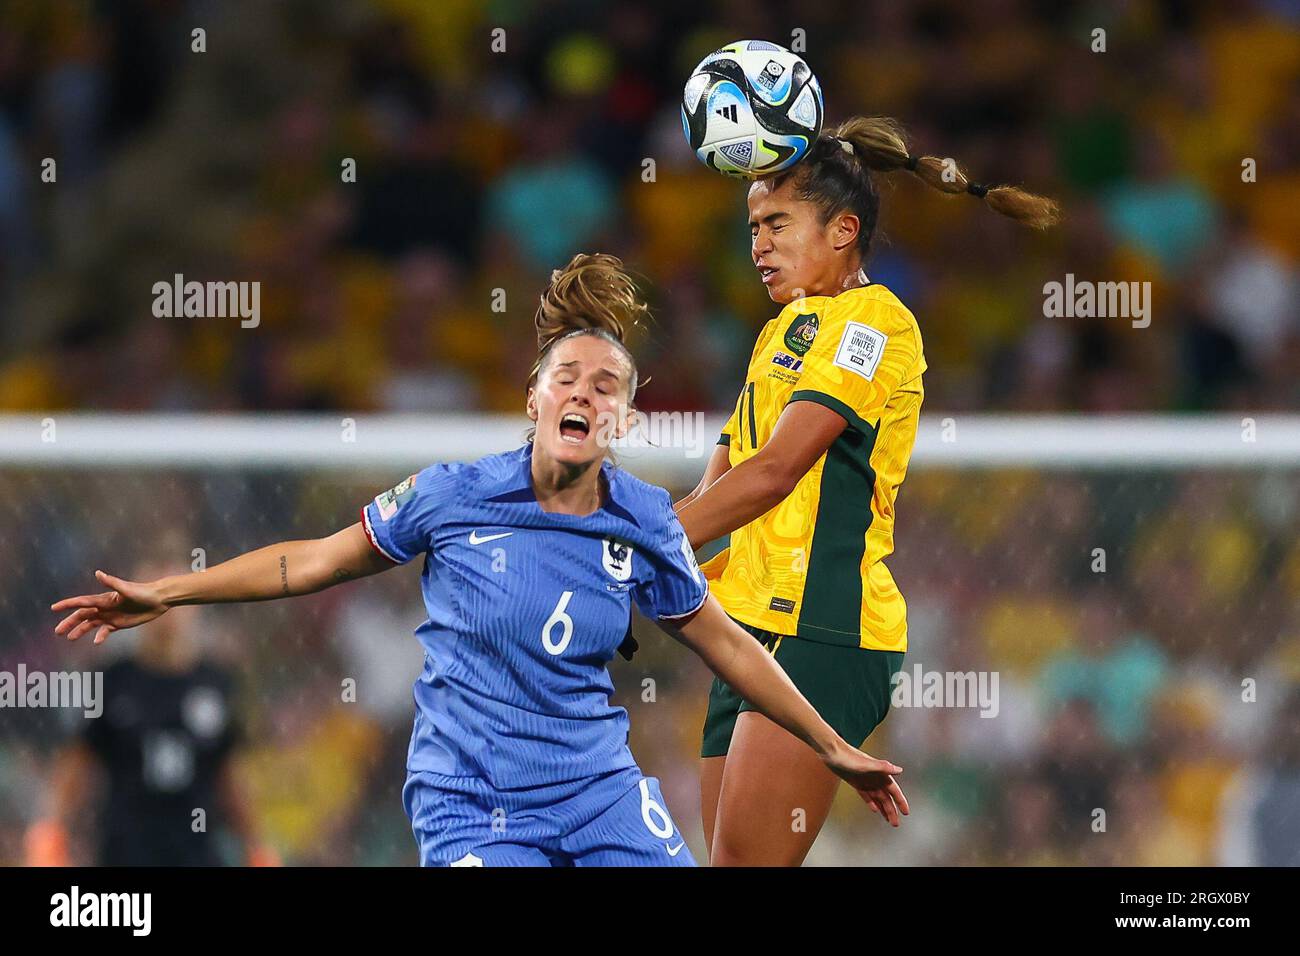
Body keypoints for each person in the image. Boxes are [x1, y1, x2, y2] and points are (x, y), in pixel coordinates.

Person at [52, 253, 908, 867]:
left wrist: (830, 745)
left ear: (625, 422)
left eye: (607, 385)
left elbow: (727, 647)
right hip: (472, 800)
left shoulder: (646, 521)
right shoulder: (452, 496)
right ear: (532, 398)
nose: (583, 391)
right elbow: (309, 562)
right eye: (566, 376)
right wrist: (168, 593)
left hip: (598, 791)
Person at [675, 117, 1058, 866]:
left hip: (827, 632)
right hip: (748, 634)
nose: (758, 245)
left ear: (844, 229)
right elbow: (721, 477)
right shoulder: (778, 333)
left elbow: (776, 471)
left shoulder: (876, 324)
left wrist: (635, 543)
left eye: (778, 223)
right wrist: (651, 544)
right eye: (753, 226)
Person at [27, 561, 276, 866]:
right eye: (155, 595)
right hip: (125, 852)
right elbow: (77, 765)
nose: (167, 614)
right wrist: (50, 832)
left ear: (195, 607)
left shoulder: (216, 683)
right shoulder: (113, 680)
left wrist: (256, 845)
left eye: (175, 599)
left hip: (196, 853)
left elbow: (229, 774)